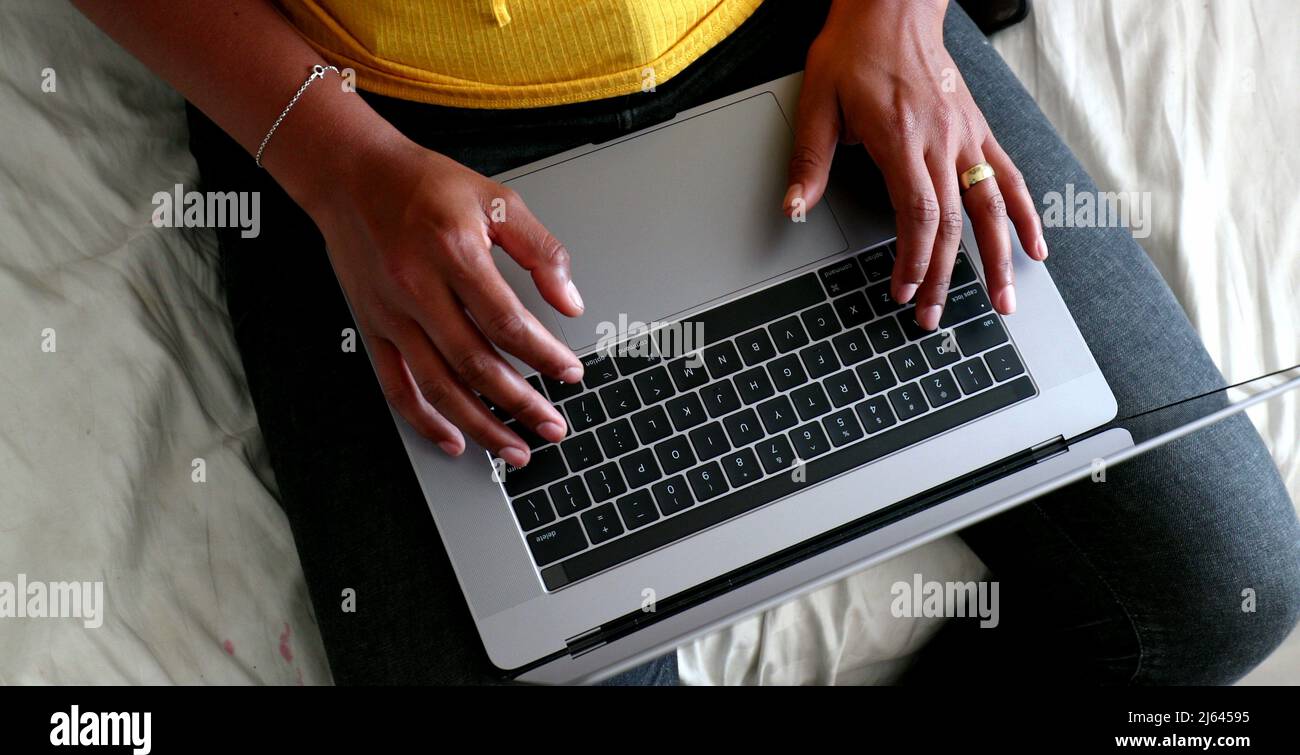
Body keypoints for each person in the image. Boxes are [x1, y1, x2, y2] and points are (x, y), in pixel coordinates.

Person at [72, 0, 1299, 685]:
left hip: (810, 29)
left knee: (1224, 584)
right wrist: (335, 169)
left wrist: (900, 17)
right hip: (370, 111)